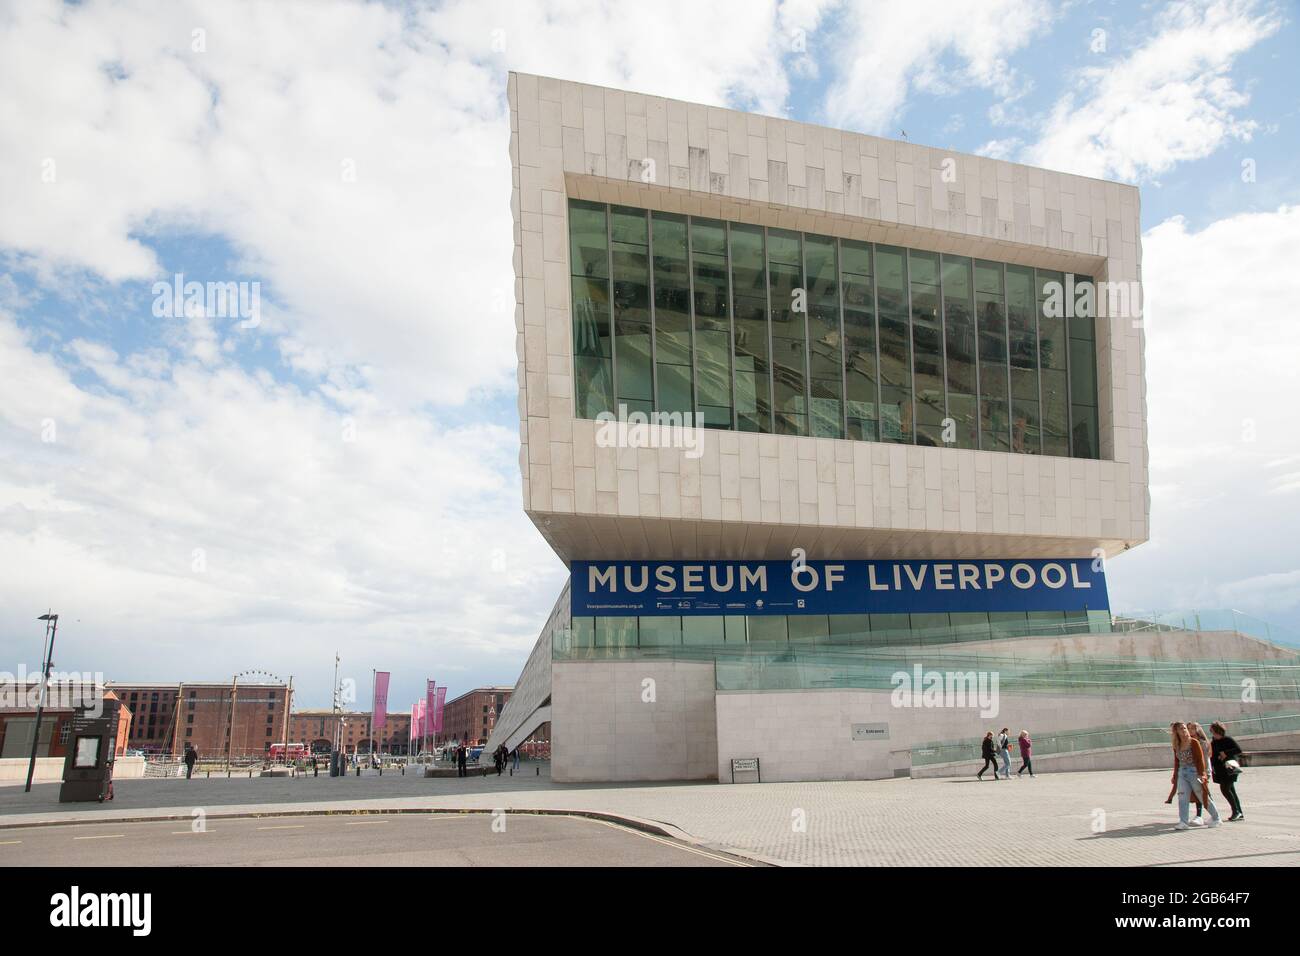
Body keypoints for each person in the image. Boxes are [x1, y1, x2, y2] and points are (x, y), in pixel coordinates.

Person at [1167, 721, 1220, 830]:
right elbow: (1177, 762)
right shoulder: (1176, 745)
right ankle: (1183, 822)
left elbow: (1200, 760)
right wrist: (1175, 776)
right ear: (1176, 731)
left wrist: (1202, 774)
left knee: (1202, 795)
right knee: (1182, 796)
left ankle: (1216, 818)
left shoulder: (1194, 742)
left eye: (1184, 728)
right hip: (1182, 772)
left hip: (1194, 772)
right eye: (1181, 729)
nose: (1184, 730)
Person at [1209, 721, 1245, 822]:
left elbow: (1238, 750)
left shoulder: (1227, 740)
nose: (1212, 733)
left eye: (1212, 730)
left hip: (1230, 768)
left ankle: (1236, 812)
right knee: (1231, 790)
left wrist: (1225, 753)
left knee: (1225, 789)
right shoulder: (1213, 742)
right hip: (1220, 770)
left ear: (1218, 730)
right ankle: (1239, 812)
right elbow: (1212, 756)